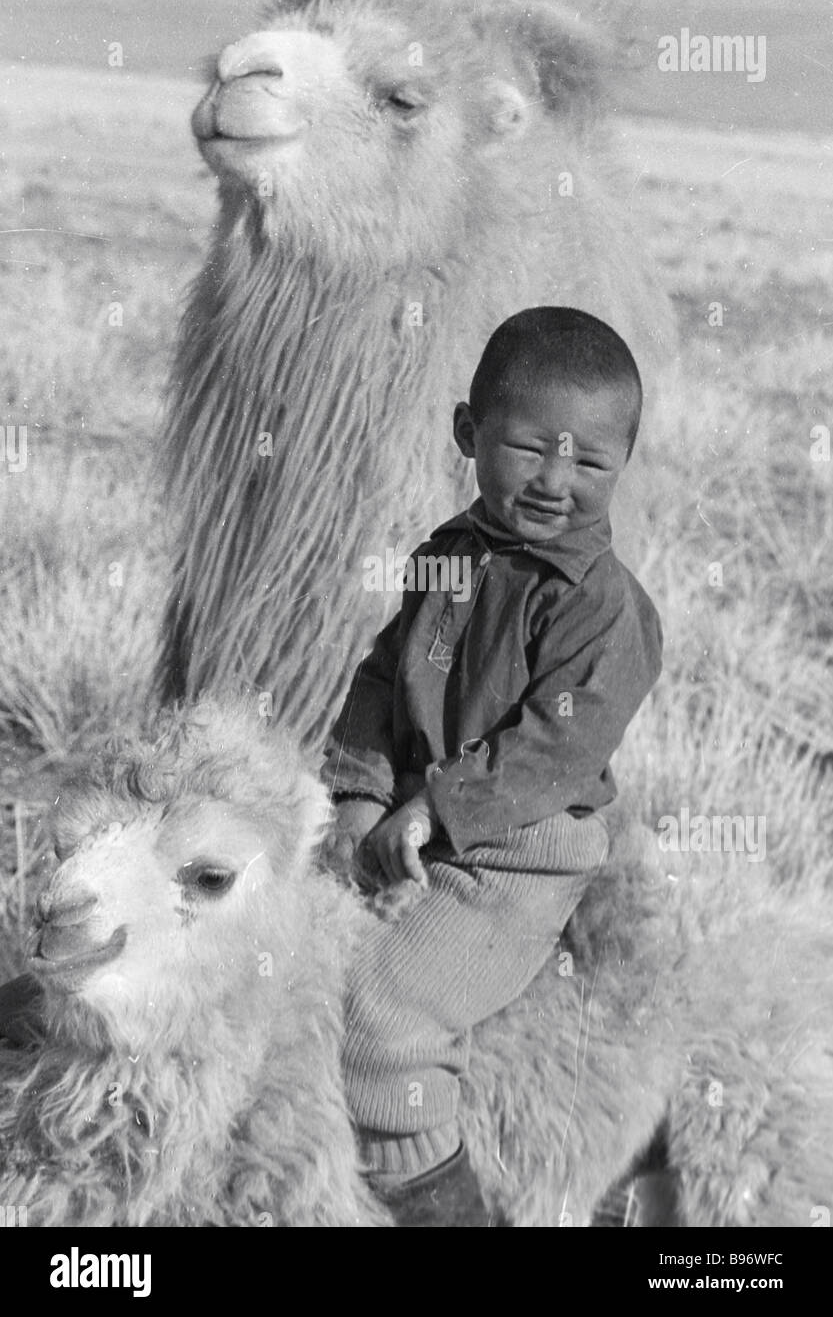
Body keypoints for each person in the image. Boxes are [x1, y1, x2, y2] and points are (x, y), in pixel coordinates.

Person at [323, 305, 663, 1227]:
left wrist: (436, 806)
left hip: (516, 850)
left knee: (378, 1029)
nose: (556, 482)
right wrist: (357, 792)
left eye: (589, 462)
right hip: (405, 817)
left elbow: (554, 751)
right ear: (468, 433)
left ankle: (448, 1215)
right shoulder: (448, 557)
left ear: (622, 465)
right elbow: (384, 674)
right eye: (528, 451)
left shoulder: (601, 612)